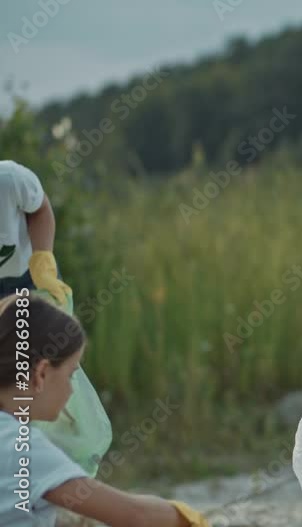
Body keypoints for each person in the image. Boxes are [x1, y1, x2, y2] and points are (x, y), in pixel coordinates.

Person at [0, 293, 211, 526]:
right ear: (41, 373)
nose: (71, 391)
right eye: (71, 375)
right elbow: (134, 514)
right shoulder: (22, 446)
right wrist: (187, 518)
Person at [0, 160, 73, 306]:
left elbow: (40, 209)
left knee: (49, 328)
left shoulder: (10, 179)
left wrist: (43, 264)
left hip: (30, 277)